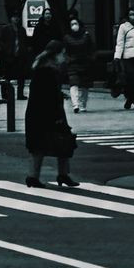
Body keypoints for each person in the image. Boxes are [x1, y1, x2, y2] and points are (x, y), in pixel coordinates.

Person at [24, 27, 81, 188]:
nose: (64, 57)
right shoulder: (48, 71)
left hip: (38, 113)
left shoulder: (41, 69)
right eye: (63, 54)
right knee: (61, 143)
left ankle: (35, 176)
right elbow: (47, 95)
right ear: (56, 54)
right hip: (48, 114)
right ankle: (60, 175)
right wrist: (57, 115)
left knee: (40, 146)